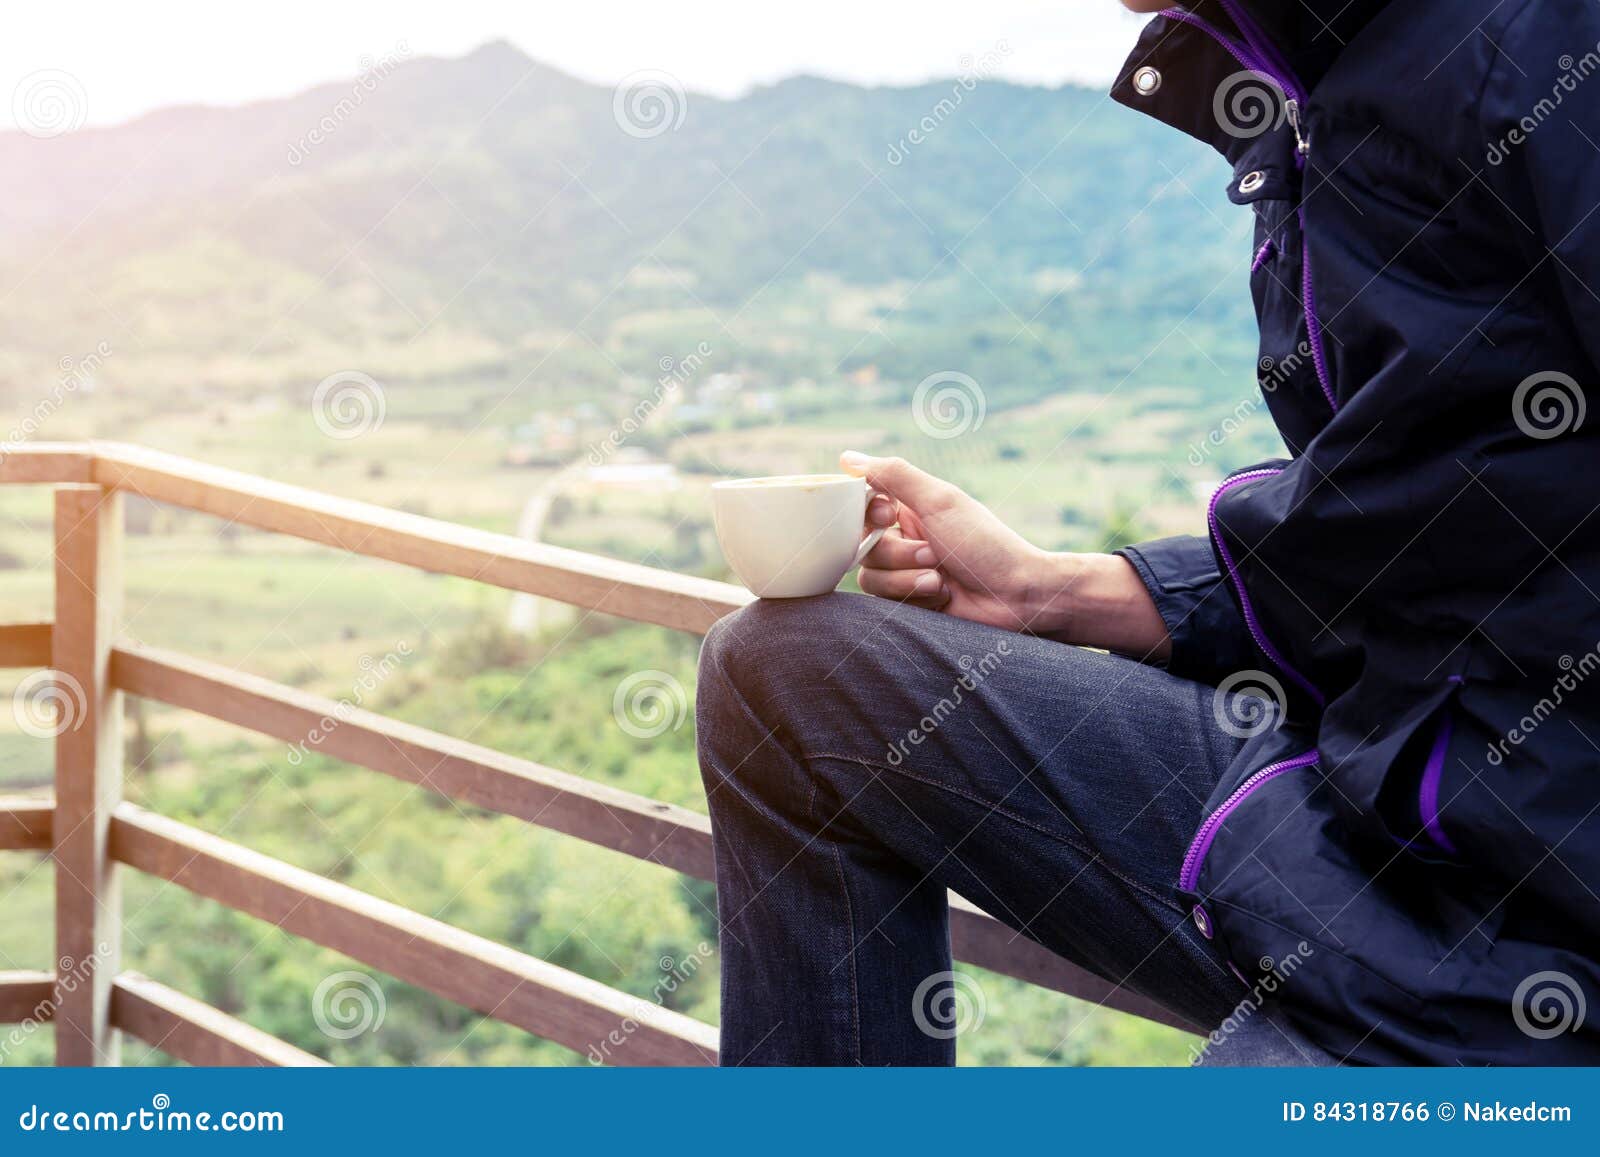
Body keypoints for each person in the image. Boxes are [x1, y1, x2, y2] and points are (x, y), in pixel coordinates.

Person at [696, 0, 1600, 1065]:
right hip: (1353, 808)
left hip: (1522, 936)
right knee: (784, 677)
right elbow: (1412, 524)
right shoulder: (1309, 76)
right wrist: (1054, 591)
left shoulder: (1543, 35)